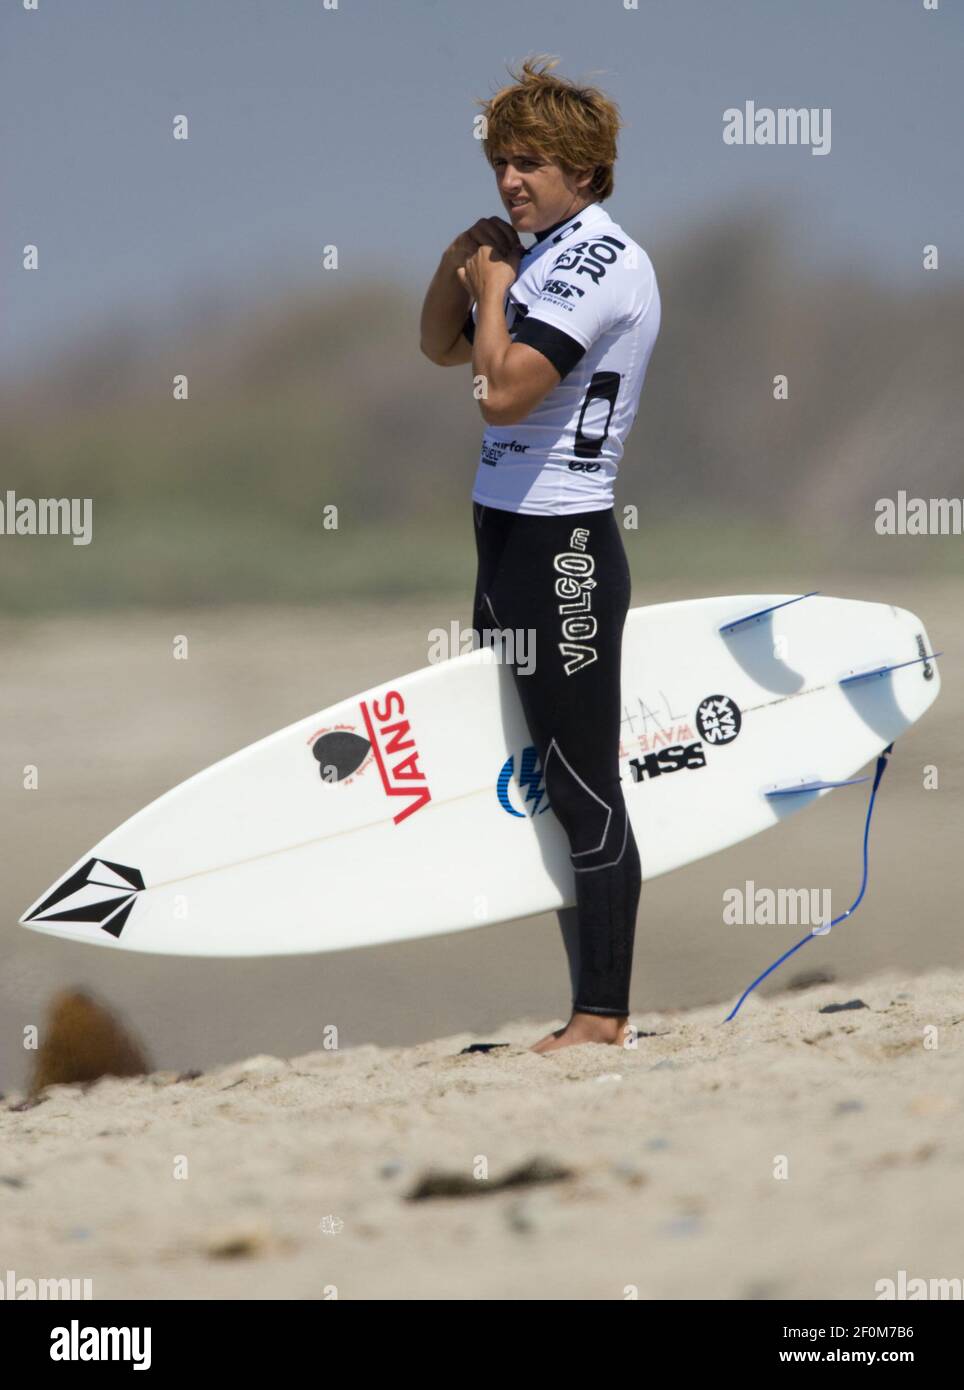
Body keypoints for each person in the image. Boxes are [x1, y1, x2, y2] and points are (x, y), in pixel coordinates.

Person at [419, 56, 661, 1053]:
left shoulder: (599, 260)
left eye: (532, 164)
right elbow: (440, 345)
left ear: (587, 172)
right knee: (539, 776)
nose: (511, 181)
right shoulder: (540, 251)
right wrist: (464, 267)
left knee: (580, 780)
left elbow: (503, 390)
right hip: (505, 536)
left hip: (564, 543)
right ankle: (585, 1003)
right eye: (500, 162)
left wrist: (494, 294)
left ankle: (600, 1012)